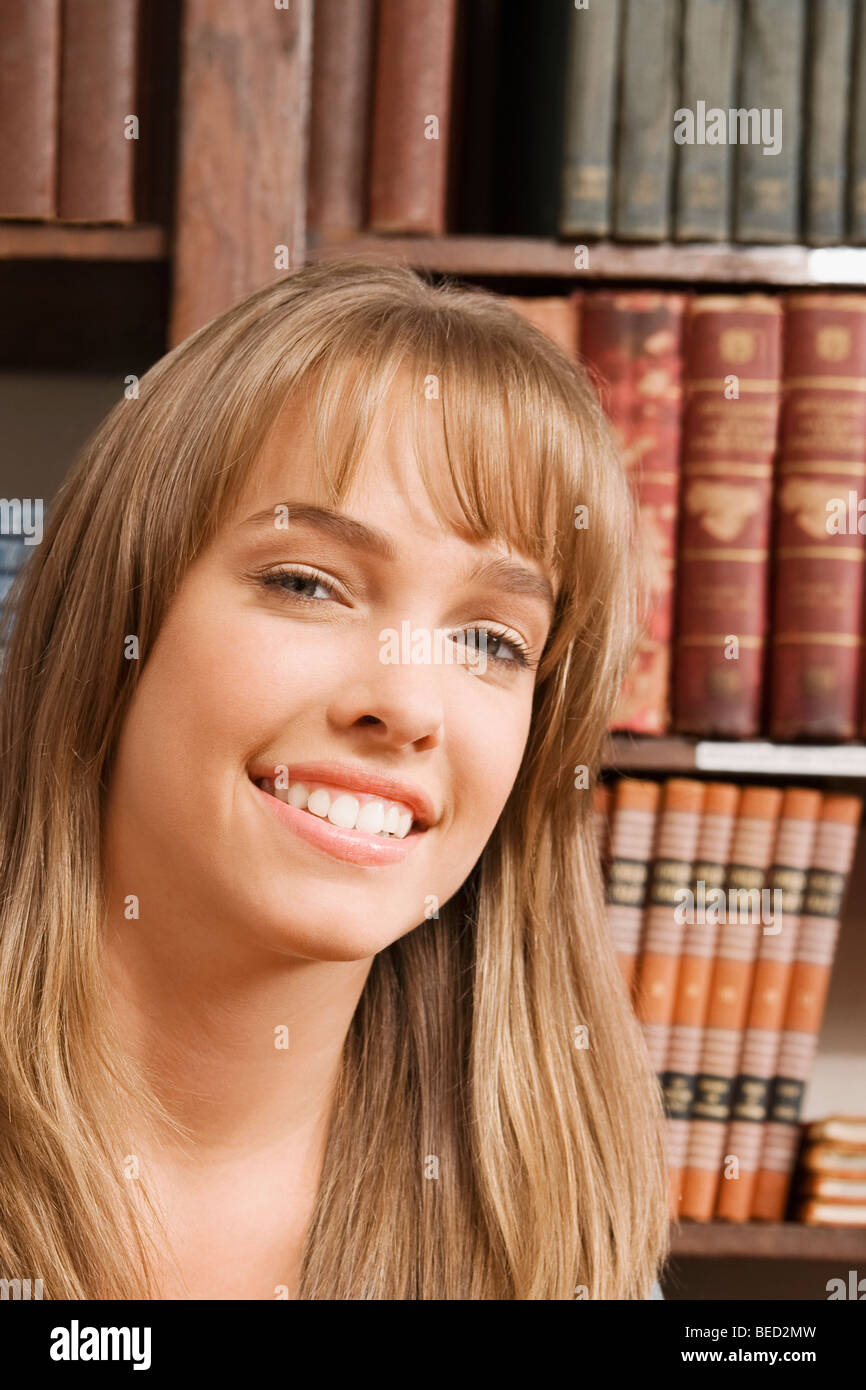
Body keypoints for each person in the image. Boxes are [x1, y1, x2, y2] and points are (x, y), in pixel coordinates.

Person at [0, 259, 668, 1299]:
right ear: (117, 618)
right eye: (306, 582)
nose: (405, 705)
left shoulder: (560, 1244)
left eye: (490, 640)